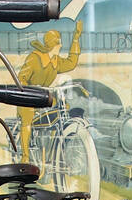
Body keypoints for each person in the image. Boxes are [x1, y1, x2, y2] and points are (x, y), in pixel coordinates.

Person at [15, 19, 84, 163]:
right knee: (27, 119)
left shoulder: (55, 61)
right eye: (59, 43)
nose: (61, 45)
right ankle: (25, 157)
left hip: (44, 97)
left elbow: (71, 63)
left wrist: (76, 38)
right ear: (53, 44)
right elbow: (21, 78)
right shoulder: (34, 58)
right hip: (28, 97)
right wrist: (29, 91)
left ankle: (52, 148)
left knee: (62, 109)